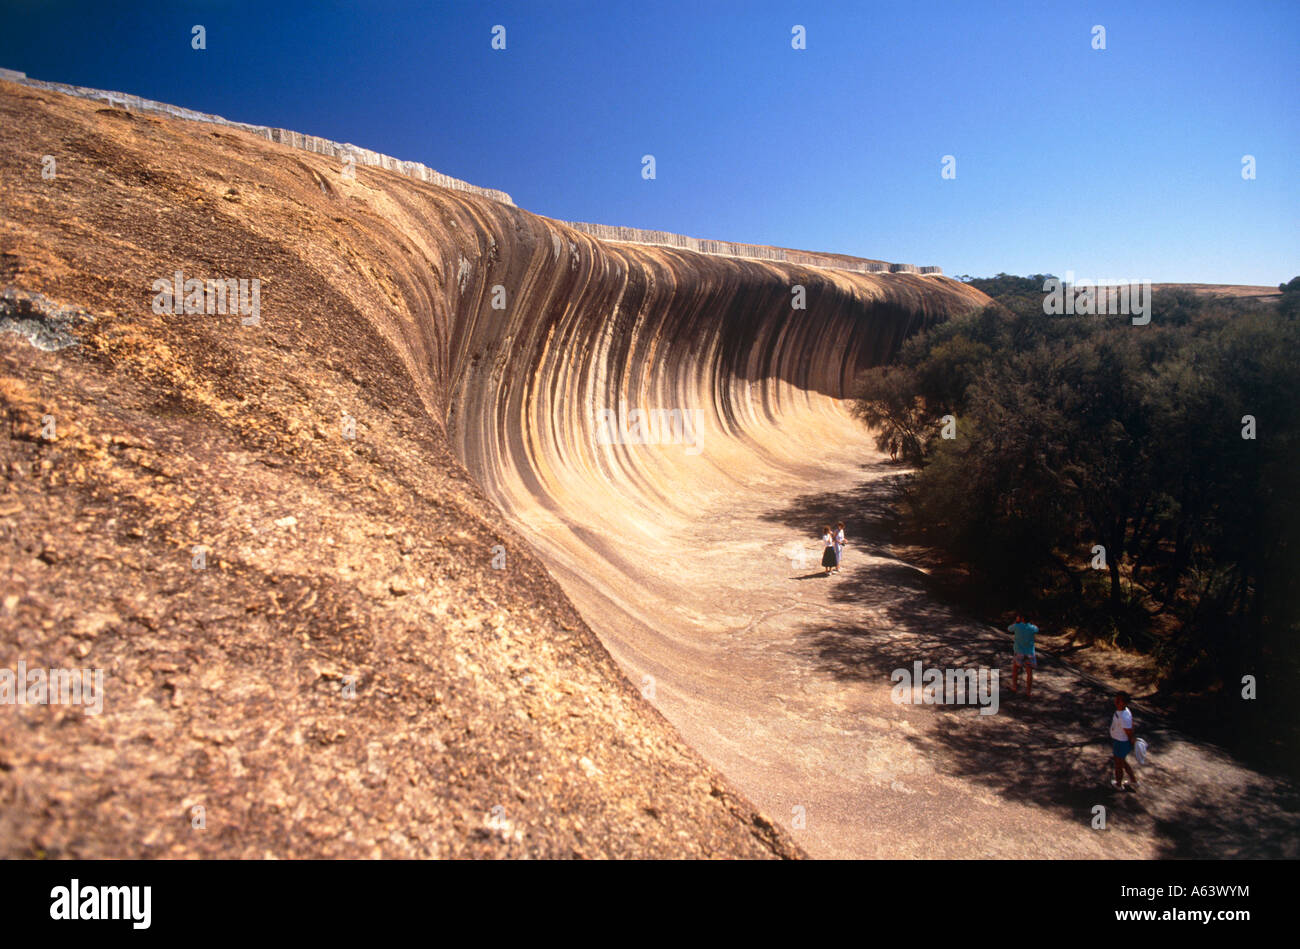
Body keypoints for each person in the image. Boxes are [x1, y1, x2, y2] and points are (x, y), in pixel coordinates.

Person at [1110, 692, 1139, 790]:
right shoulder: (1123, 711)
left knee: (1118, 765)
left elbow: (1129, 731)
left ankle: (1118, 784)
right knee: (1122, 762)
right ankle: (1134, 781)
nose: (1117, 701)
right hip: (1119, 741)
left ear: (1125, 703)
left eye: (1120, 700)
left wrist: (1132, 741)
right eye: (1116, 699)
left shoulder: (1123, 716)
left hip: (1121, 743)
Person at [1007, 613, 1038, 696]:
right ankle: (1028, 692)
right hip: (1030, 652)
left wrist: (1016, 621)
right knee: (1029, 673)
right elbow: (1037, 629)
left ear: (1022, 618)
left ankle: (1014, 687)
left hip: (1019, 651)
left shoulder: (1017, 626)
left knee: (1015, 669)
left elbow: (1009, 628)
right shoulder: (1032, 628)